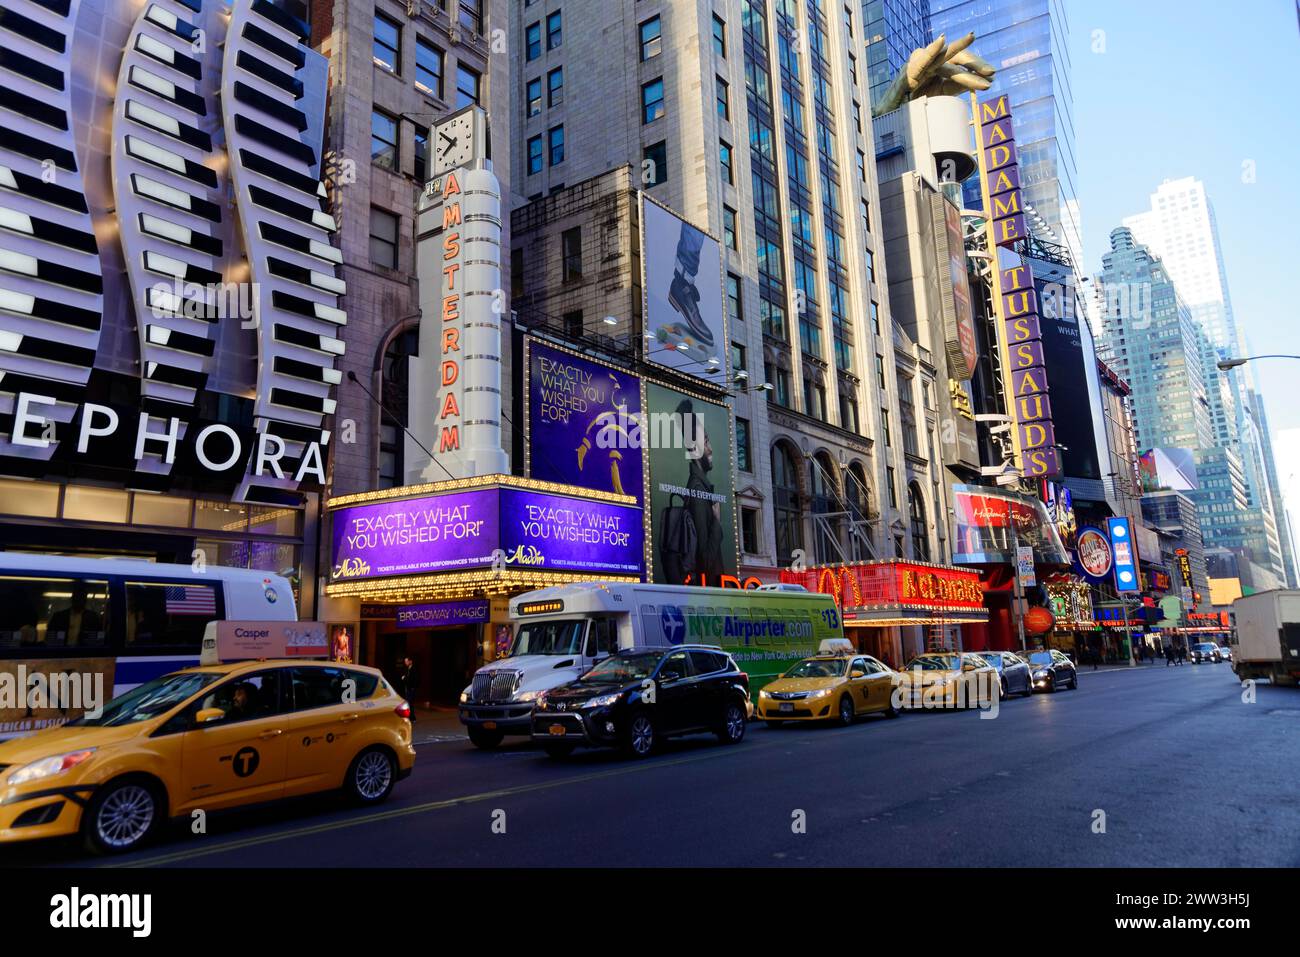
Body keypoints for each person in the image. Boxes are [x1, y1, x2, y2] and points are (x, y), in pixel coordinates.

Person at [396, 656, 418, 722]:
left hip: (411, 689)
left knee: (410, 703)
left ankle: (412, 718)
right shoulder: (407, 669)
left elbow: (412, 679)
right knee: (409, 703)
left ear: (410, 661)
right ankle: (412, 717)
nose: (405, 663)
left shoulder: (413, 669)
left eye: (407, 661)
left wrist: (404, 678)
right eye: (405, 661)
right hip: (408, 688)